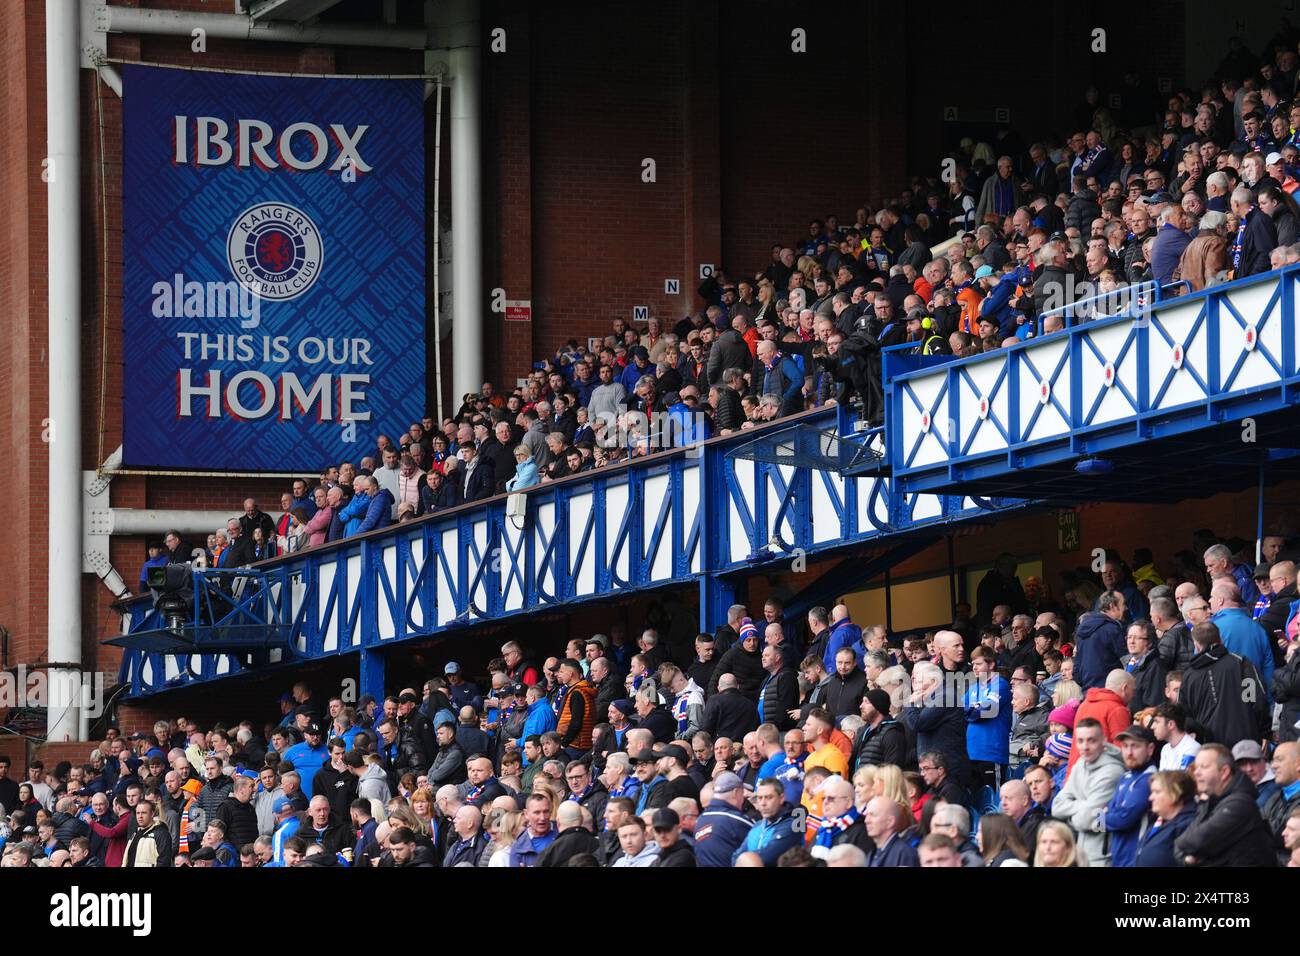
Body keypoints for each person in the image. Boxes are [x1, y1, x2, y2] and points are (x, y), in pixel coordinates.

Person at [1175, 744, 1277, 867]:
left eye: (1204, 767)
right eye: (1197, 767)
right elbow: (1180, 845)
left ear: (1224, 772)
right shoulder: (1210, 801)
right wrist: (1188, 859)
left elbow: (1194, 841)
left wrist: (1196, 858)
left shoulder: (1240, 804)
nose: (1196, 773)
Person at [1181, 621, 1269, 746]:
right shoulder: (1240, 663)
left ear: (1197, 645)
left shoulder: (1188, 675)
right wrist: (1264, 732)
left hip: (1209, 747)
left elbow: (1185, 714)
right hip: (1245, 740)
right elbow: (1257, 700)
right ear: (1220, 639)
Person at [1051, 717, 1124, 866]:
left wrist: (1074, 812)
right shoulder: (1080, 764)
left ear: (1103, 740)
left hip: (1103, 856)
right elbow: (1056, 806)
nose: (1085, 747)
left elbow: (1094, 822)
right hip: (1080, 852)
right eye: (1080, 741)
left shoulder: (1112, 771)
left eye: (1091, 740)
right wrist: (1085, 806)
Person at [1099, 725, 1157, 868]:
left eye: (1135, 746)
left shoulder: (1148, 780)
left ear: (1150, 749)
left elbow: (1123, 819)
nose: (1129, 752)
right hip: (1116, 858)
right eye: (1125, 746)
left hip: (1134, 860)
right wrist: (1103, 816)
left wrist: (1103, 815)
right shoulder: (1126, 777)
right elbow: (1099, 826)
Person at [692, 772, 752, 867]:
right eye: (742, 792)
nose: (743, 798)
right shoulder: (736, 820)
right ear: (735, 792)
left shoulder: (699, 821)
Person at [863, 795, 917, 867]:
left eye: (873, 815)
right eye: (866, 815)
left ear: (890, 822)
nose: (866, 820)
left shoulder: (905, 854)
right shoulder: (872, 853)